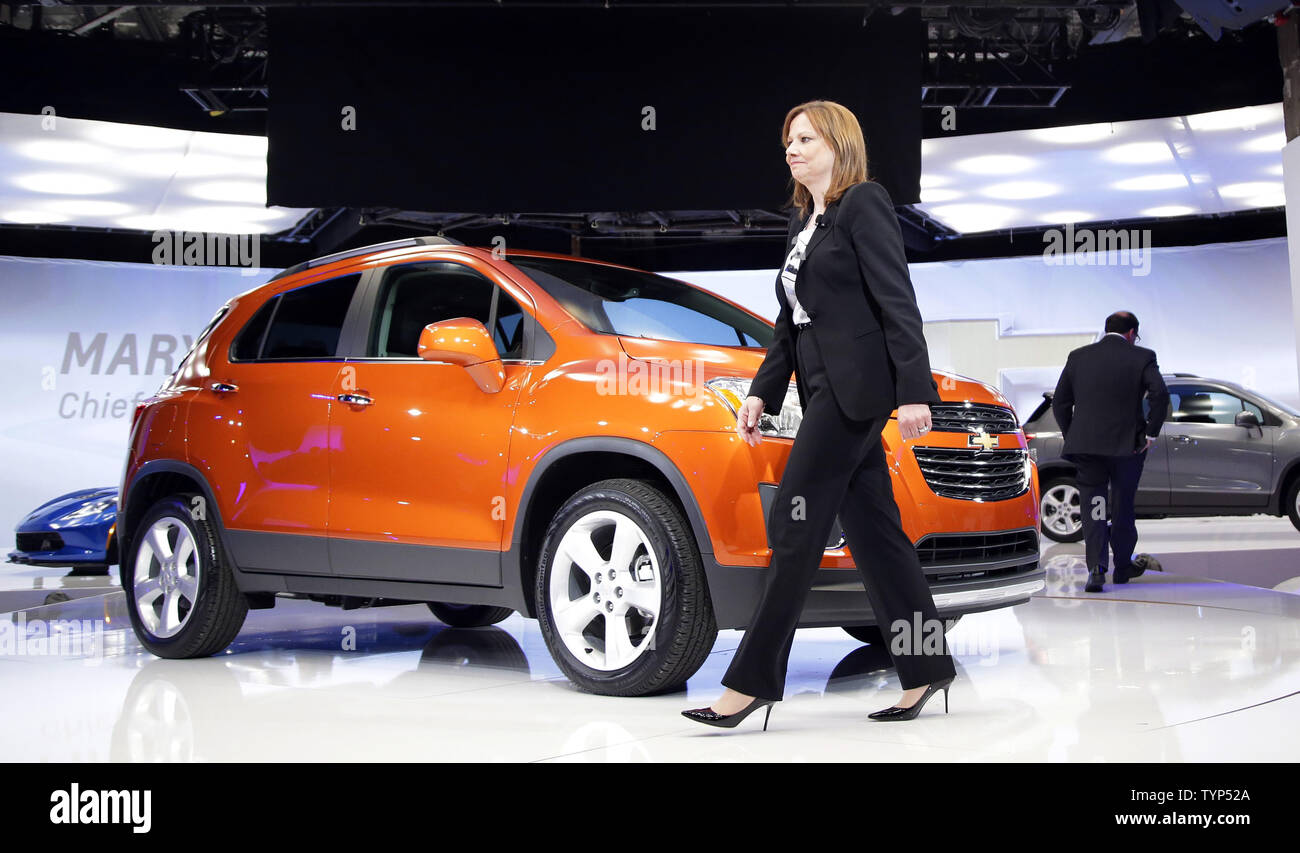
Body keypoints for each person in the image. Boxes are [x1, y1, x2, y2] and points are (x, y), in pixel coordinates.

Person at [681, 100, 956, 732]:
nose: (792, 149)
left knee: (794, 527)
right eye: (787, 141)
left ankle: (749, 684)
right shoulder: (805, 222)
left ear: (838, 142)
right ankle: (926, 667)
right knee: (878, 538)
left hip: (854, 395)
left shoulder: (865, 203)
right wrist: (763, 392)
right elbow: (788, 322)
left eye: (805, 138)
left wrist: (914, 390)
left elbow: (898, 301)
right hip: (822, 391)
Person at [1051, 311, 1169, 593]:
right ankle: (1123, 567)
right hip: (1128, 447)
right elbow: (1160, 396)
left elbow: (1060, 404)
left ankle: (1096, 569)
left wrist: (1074, 435)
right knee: (1122, 505)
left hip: (1087, 450)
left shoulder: (1078, 356)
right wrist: (1150, 433)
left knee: (1094, 507)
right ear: (1131, 333)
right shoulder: (1142, 357)